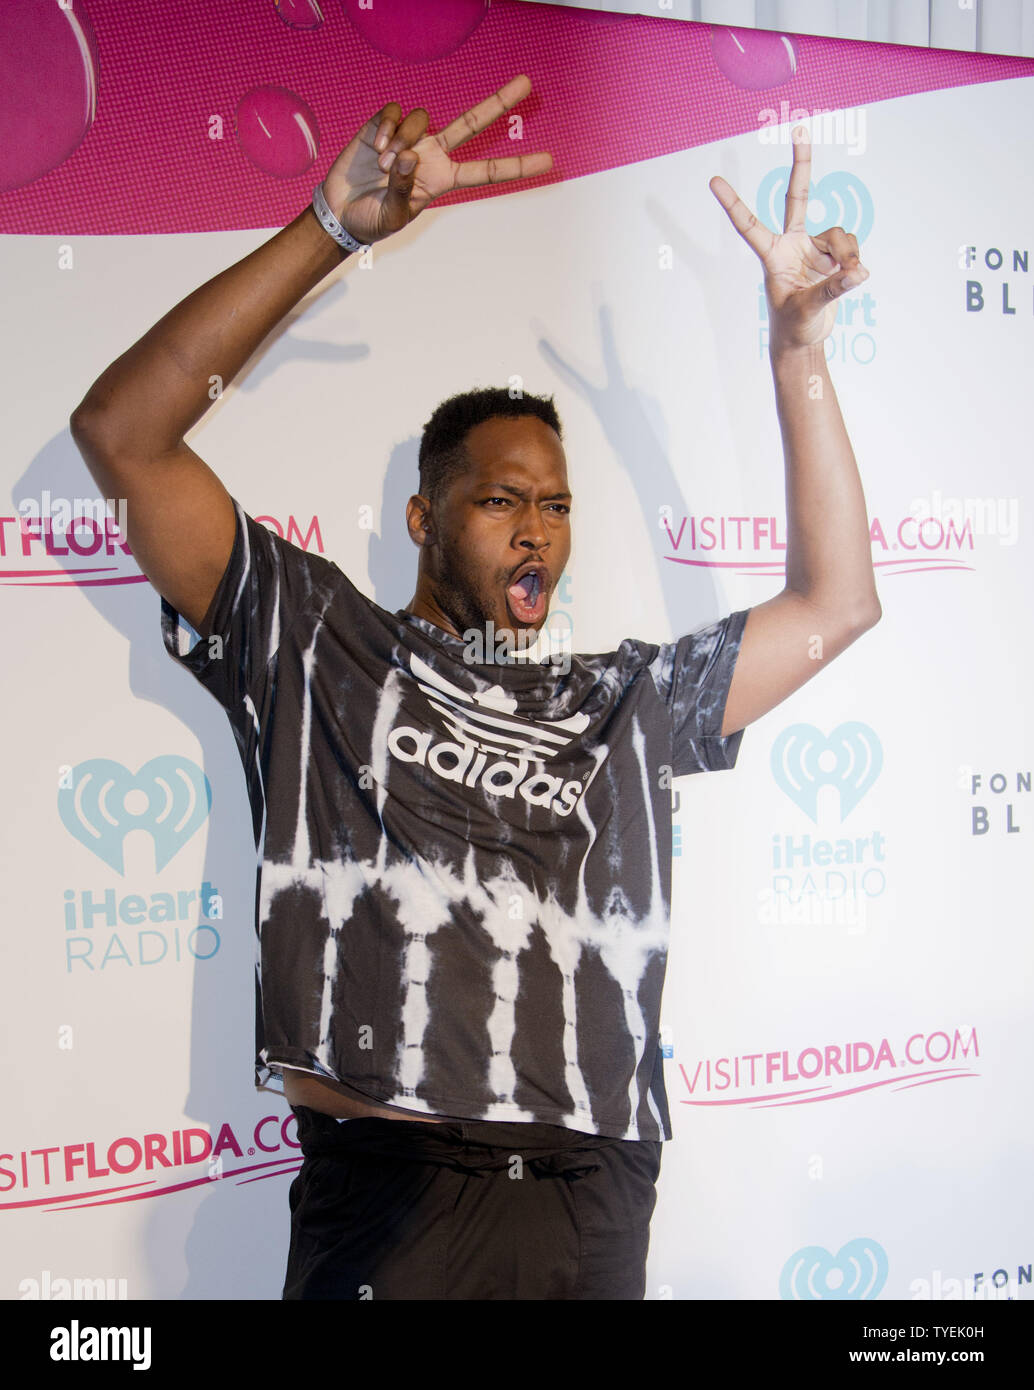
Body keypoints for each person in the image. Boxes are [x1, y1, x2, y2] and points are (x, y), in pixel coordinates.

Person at [69, 75, 881, 1300]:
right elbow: (124, 434)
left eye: (555, 504)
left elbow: (834, 607)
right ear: (424, 516)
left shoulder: (620, 700)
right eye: (501, 499)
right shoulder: (313, 637)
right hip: (392, 1189)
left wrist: (796, 351)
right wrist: (330, 232)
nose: (535, 531)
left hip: (593, 1193)